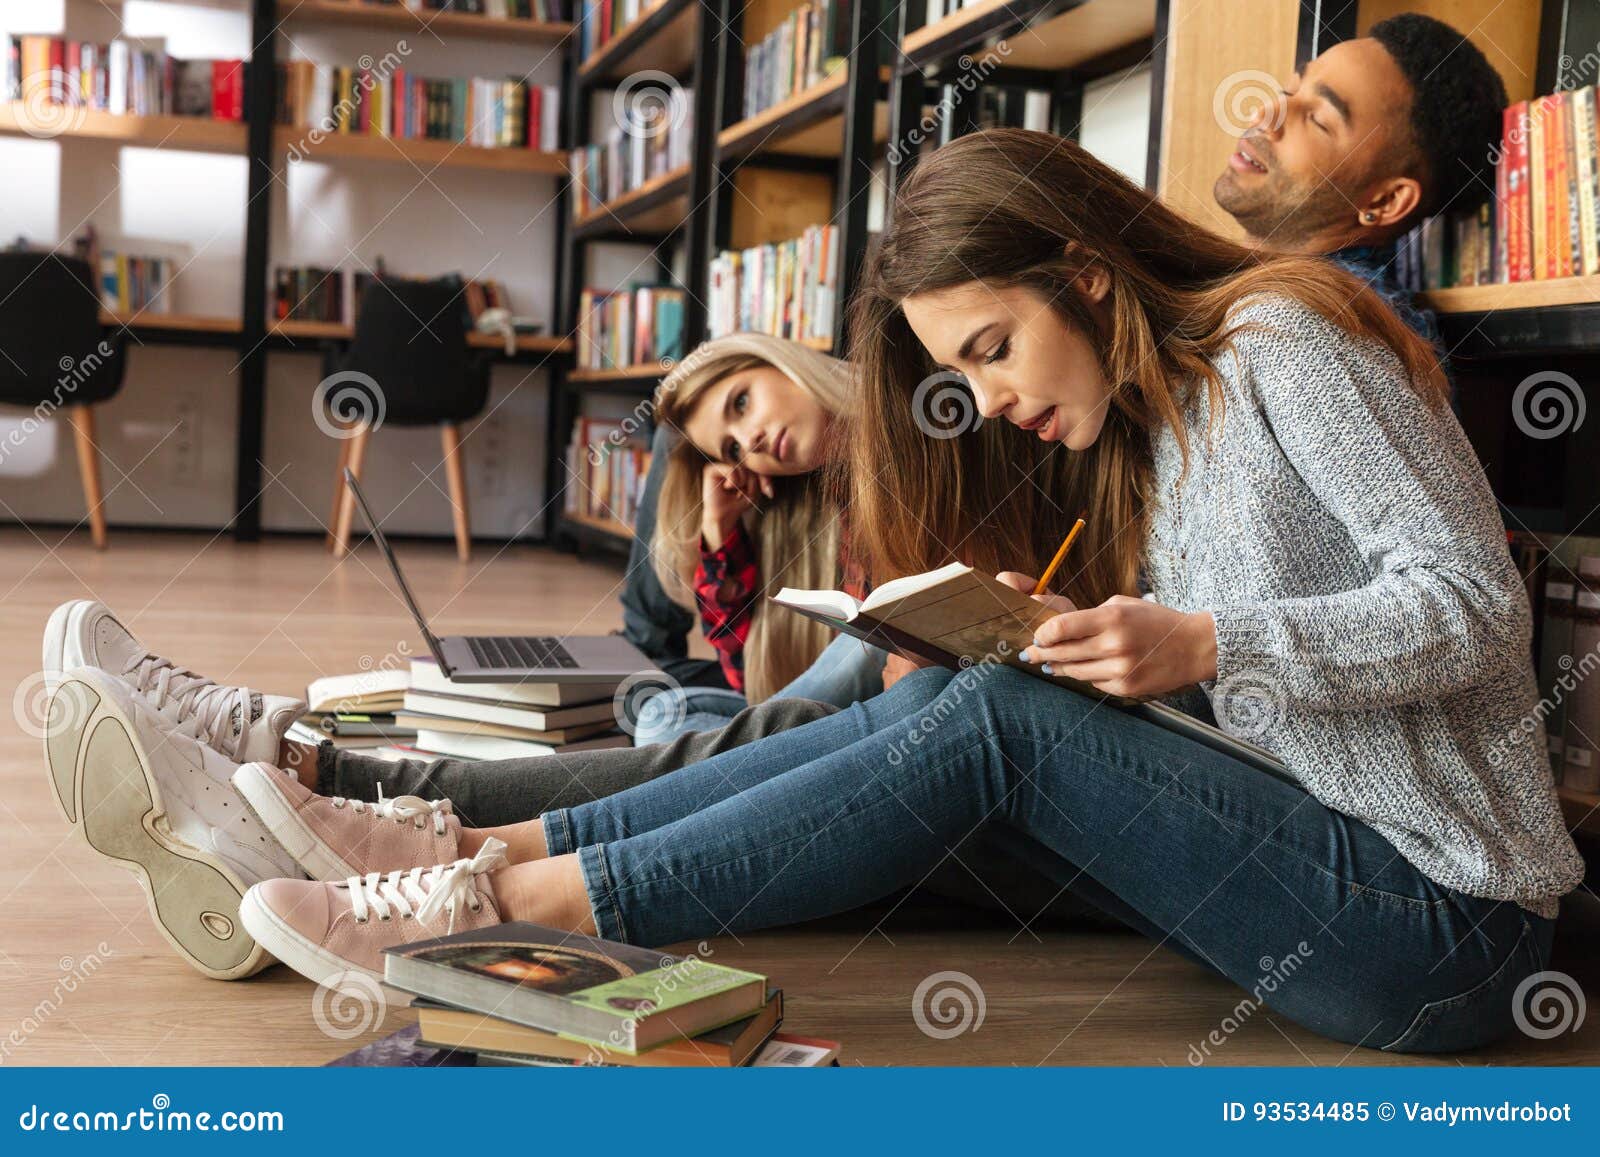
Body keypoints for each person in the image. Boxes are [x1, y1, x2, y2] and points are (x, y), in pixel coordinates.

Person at [48, 128, 1582, 1053]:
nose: (980, 399)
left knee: (992, 724)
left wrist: (1200, 642)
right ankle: (456, 837)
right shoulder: (1164, 427)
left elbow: (1474, 604)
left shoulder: (1286, 343)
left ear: (1088, 272)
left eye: (988, 350)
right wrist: (1082, 636)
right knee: (963, 713)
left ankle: (485, 905)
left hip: (1445, 920)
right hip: (1315, 863)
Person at [625, 333, 885, 744]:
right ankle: (772, 757)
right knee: (661, 716)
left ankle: (766, 758)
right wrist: (722, 534)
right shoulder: (802, 506)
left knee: (878, 632)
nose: (751, 442)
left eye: (741, 403)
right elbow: (757, 682)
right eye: (732, 449)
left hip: (899, 706)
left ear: (778, 360)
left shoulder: (914, 419)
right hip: (832, 722)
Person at [1213, 13, 1507, 343]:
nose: (1263, 114)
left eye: (1319, 120)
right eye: (1289, 90)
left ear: (1386, 201)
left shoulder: (1316, 333)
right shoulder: (1251, 299)